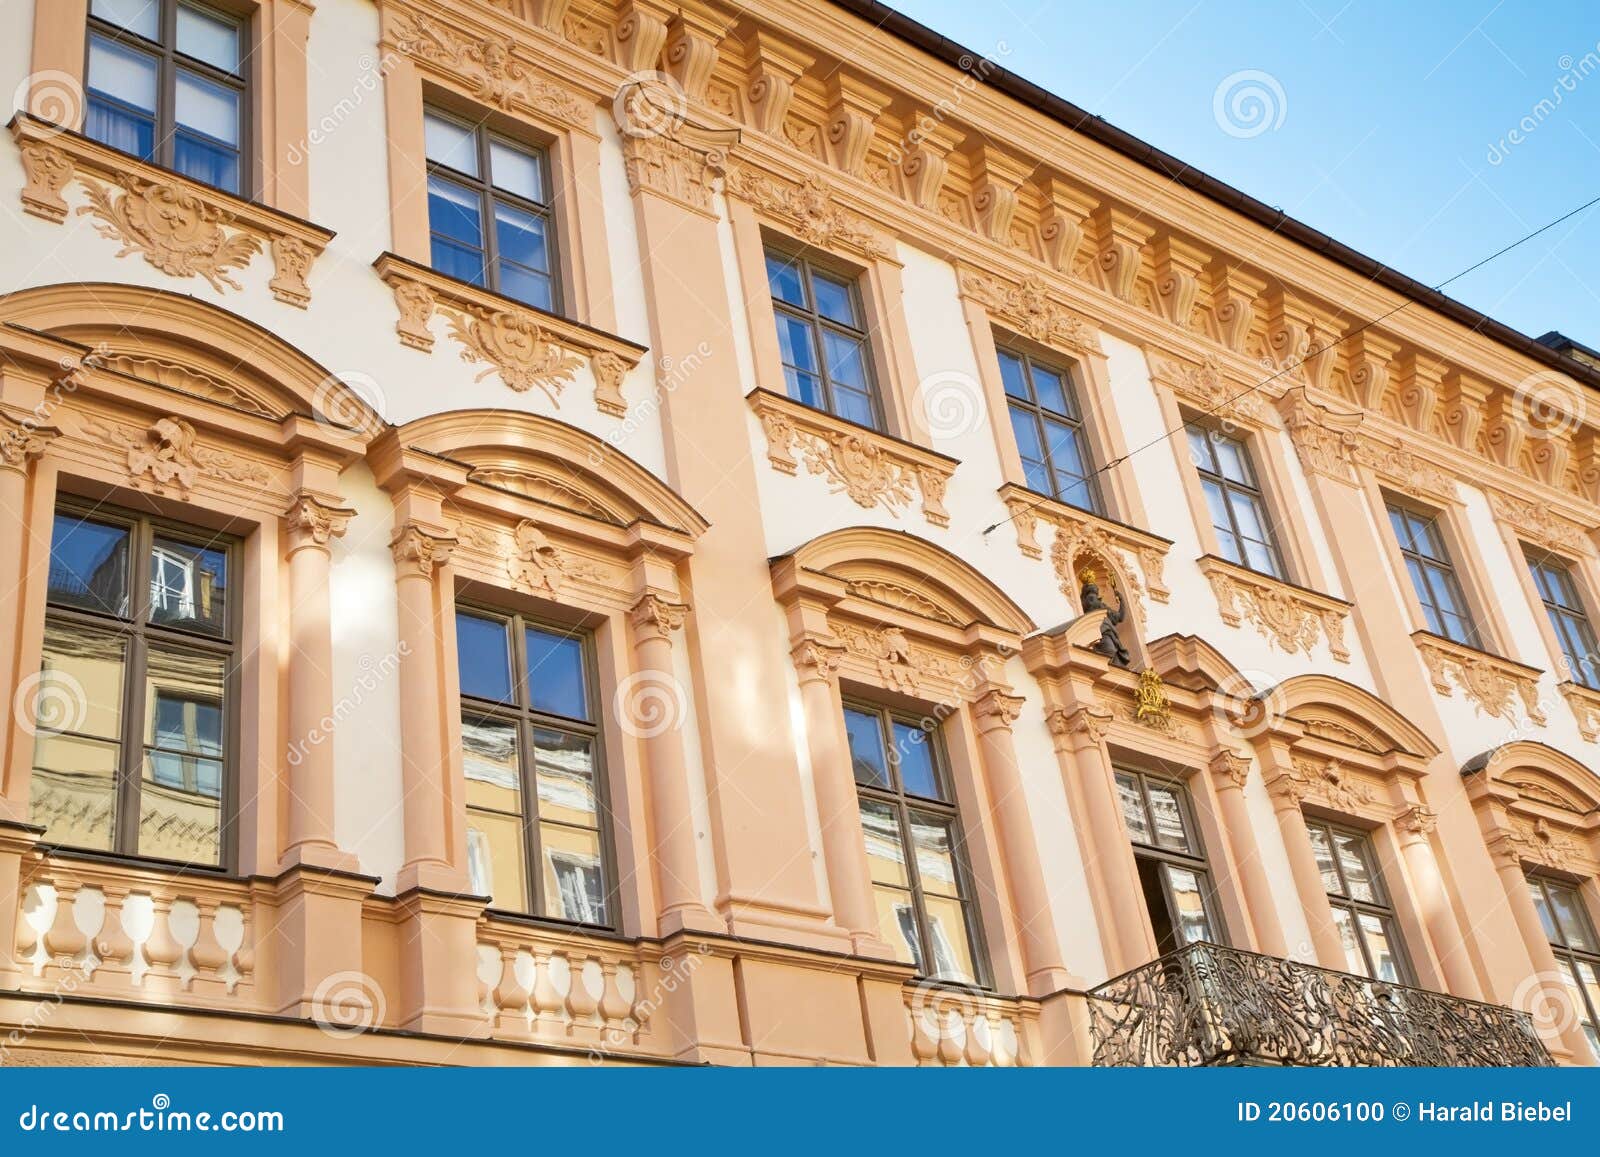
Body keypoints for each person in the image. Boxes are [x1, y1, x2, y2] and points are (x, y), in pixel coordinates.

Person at [1079, 568, 1130, 668]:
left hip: (1107, 630)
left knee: (1112, 652)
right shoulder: (1091, 601)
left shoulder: (1101, 605)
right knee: (1110, 651)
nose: (1093, 595)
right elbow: (1118, 617)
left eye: (1094, 590)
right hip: (1100, 631)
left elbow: (1119, 617)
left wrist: (1122, 600)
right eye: (1091, 590)